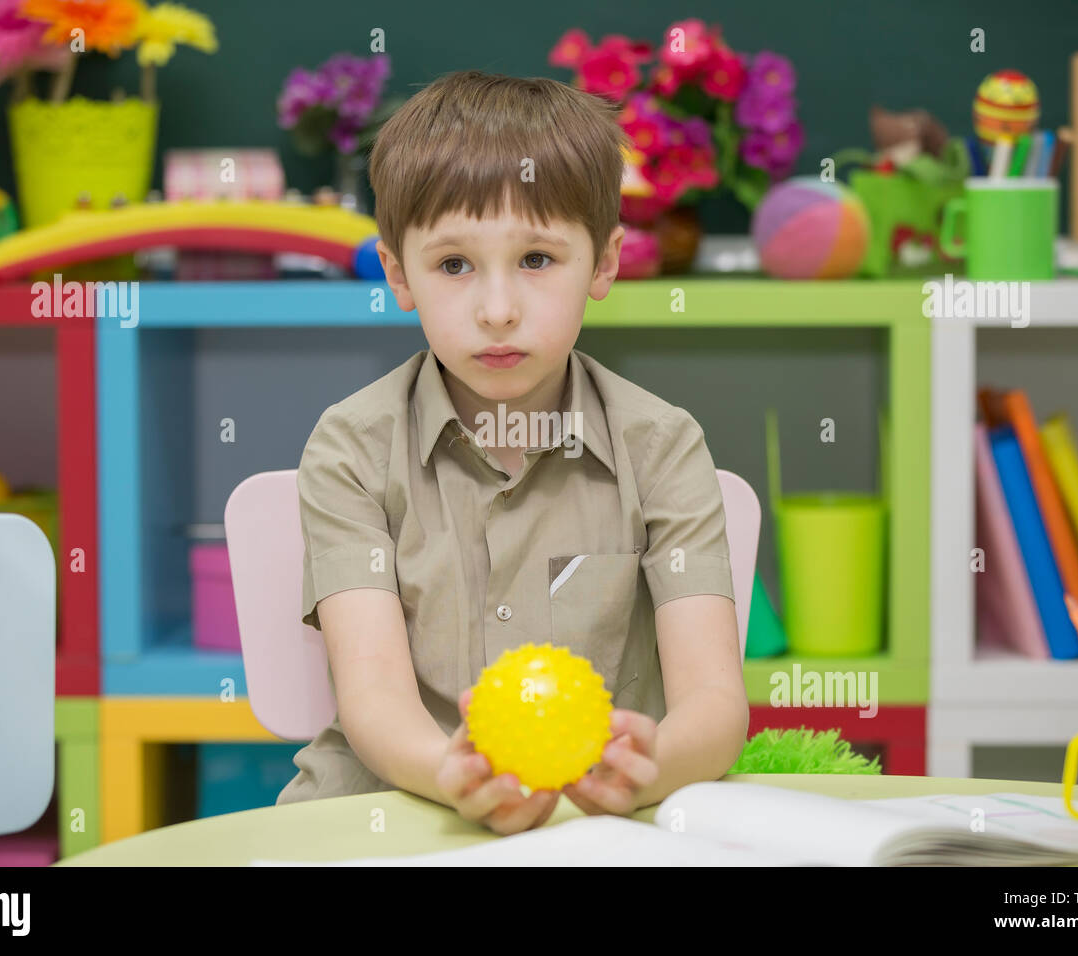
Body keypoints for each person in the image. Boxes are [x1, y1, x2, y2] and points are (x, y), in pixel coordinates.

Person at [277, 69, 748, 835]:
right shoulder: (352, 448)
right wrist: (451, 774)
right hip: (382, 817)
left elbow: (716, 705)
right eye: (454, 265)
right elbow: (374, 700)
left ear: (603, 262)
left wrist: (654, 763)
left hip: (594, 829)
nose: (498, 311)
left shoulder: (661, 445)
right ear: (398, 273)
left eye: (536, 260)